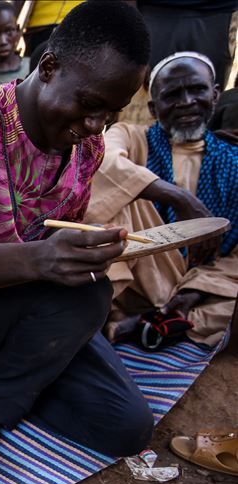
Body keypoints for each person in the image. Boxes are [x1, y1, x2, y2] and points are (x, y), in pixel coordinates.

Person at [0, 1, 155, 464]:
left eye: (111, 113)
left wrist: (82, 252)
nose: (95, 126)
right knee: (89, 296)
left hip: (40, 314)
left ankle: (10, 381)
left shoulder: (86, 147)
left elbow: (64, 245)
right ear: (48, 67)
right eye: (89, 105)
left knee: (127, 427)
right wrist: (43, 259)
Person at [86, 52, 237, 349]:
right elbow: (103, 163)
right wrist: (179, 198)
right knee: (119, 195)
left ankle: (157, 319)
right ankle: (147, 319)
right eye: (173, 94)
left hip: (202, 280)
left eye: (197, 90)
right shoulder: (131, 136)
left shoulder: (233, 160)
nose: (186, 102)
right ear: (154, 108)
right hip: (137, 272)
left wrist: (194, 290)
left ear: (215, 95)